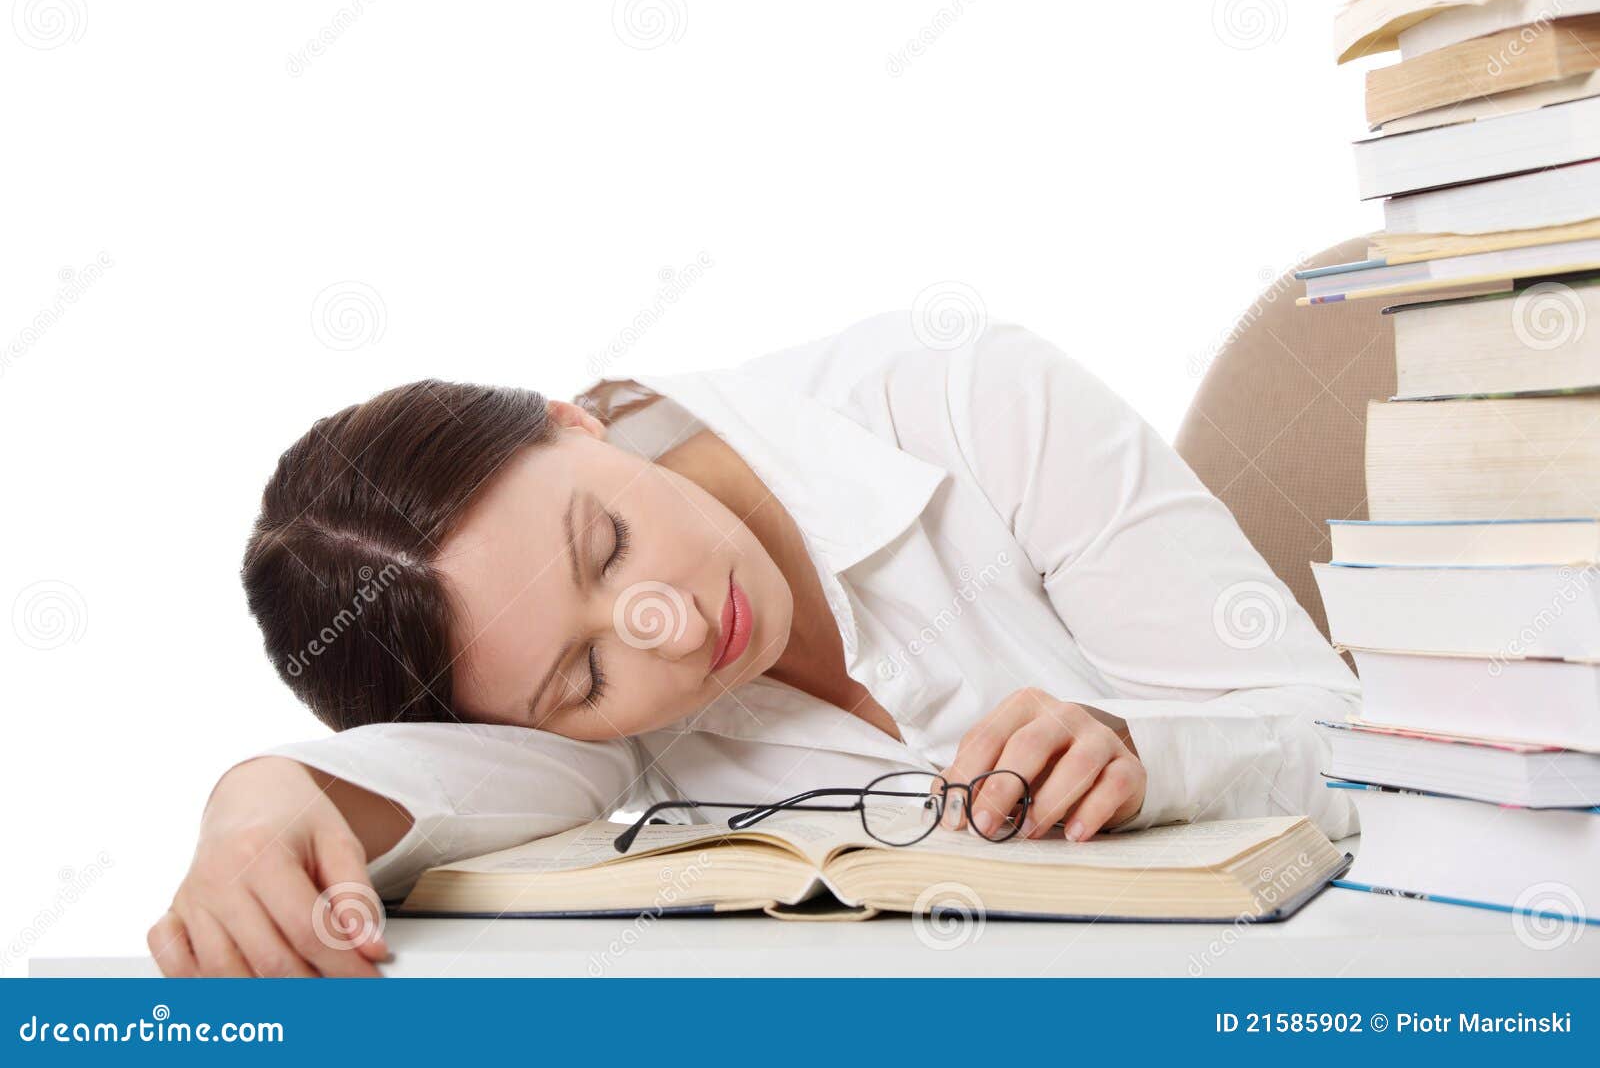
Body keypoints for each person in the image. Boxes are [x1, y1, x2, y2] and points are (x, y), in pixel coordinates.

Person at [147, 314, 1358, 977]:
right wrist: (264, 796)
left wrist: (1145, 752)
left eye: (606, 541)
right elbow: (471, 792)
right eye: (583, 675)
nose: (662, 630)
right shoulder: (600, 753)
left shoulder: (964, 398)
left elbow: (1353, 743)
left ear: (578, 418)